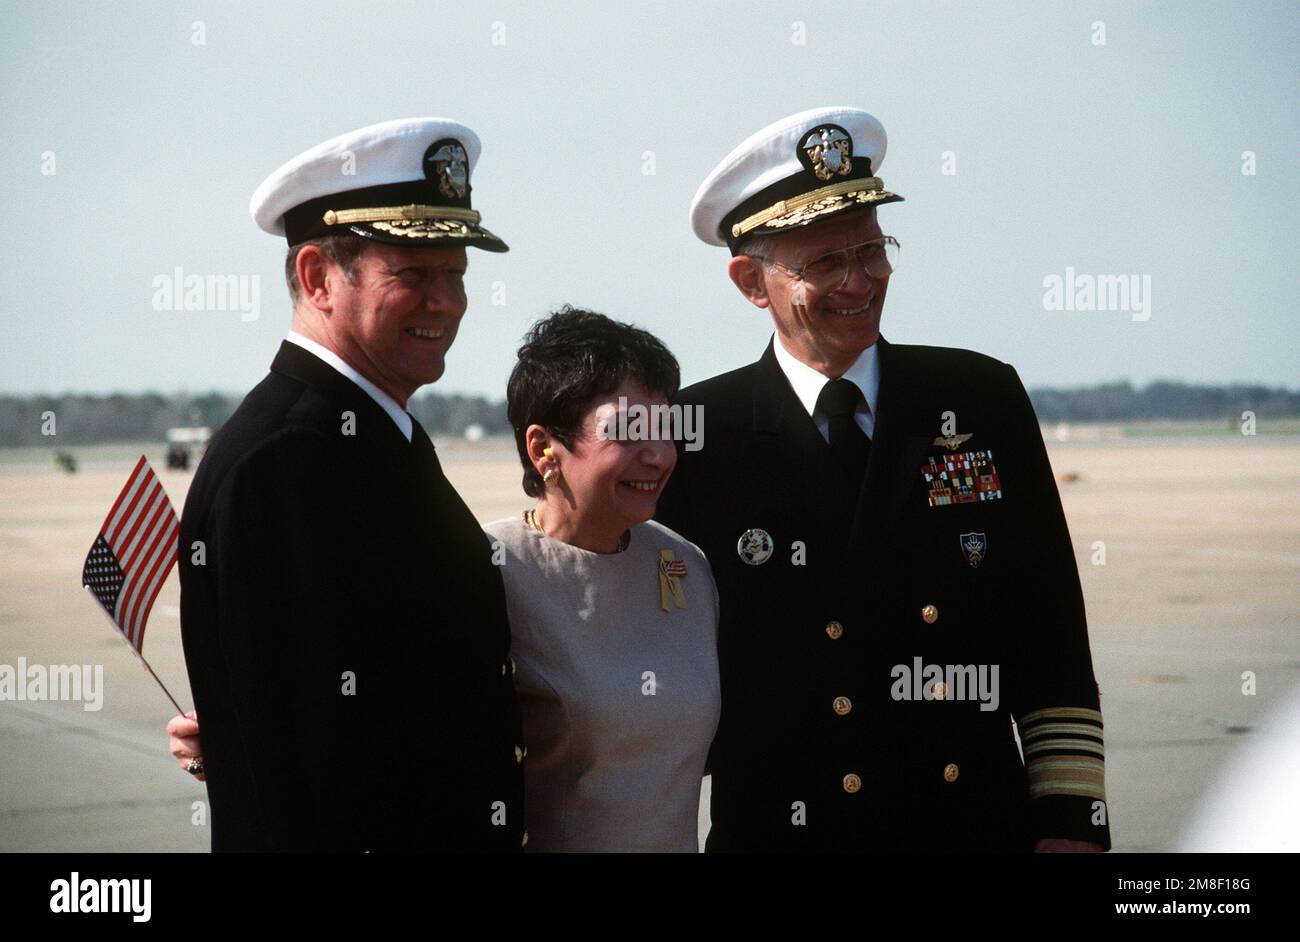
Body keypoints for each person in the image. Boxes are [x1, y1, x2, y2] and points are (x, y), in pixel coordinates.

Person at [654, 106, 1111, 852]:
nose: (860, 283)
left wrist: (1071, 822)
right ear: (750, 282)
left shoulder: (979, 398)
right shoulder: (696, 429)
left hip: (969, 829)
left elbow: (1051, 627)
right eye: (825, 264)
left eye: (872, 252)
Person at [173, 306, 721, 852]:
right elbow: (375, 719)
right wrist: (230, 736)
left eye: (666, 428)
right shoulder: (476, 569)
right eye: (627, 430)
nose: (657, 454)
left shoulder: (687, 567)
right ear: (543, 449)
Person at [176, 118, 525, 851]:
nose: (447, 302)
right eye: (413, 275)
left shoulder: (366, 430)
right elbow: (307, 764)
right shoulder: (290, 457)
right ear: (316, 278)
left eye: (456, 275)